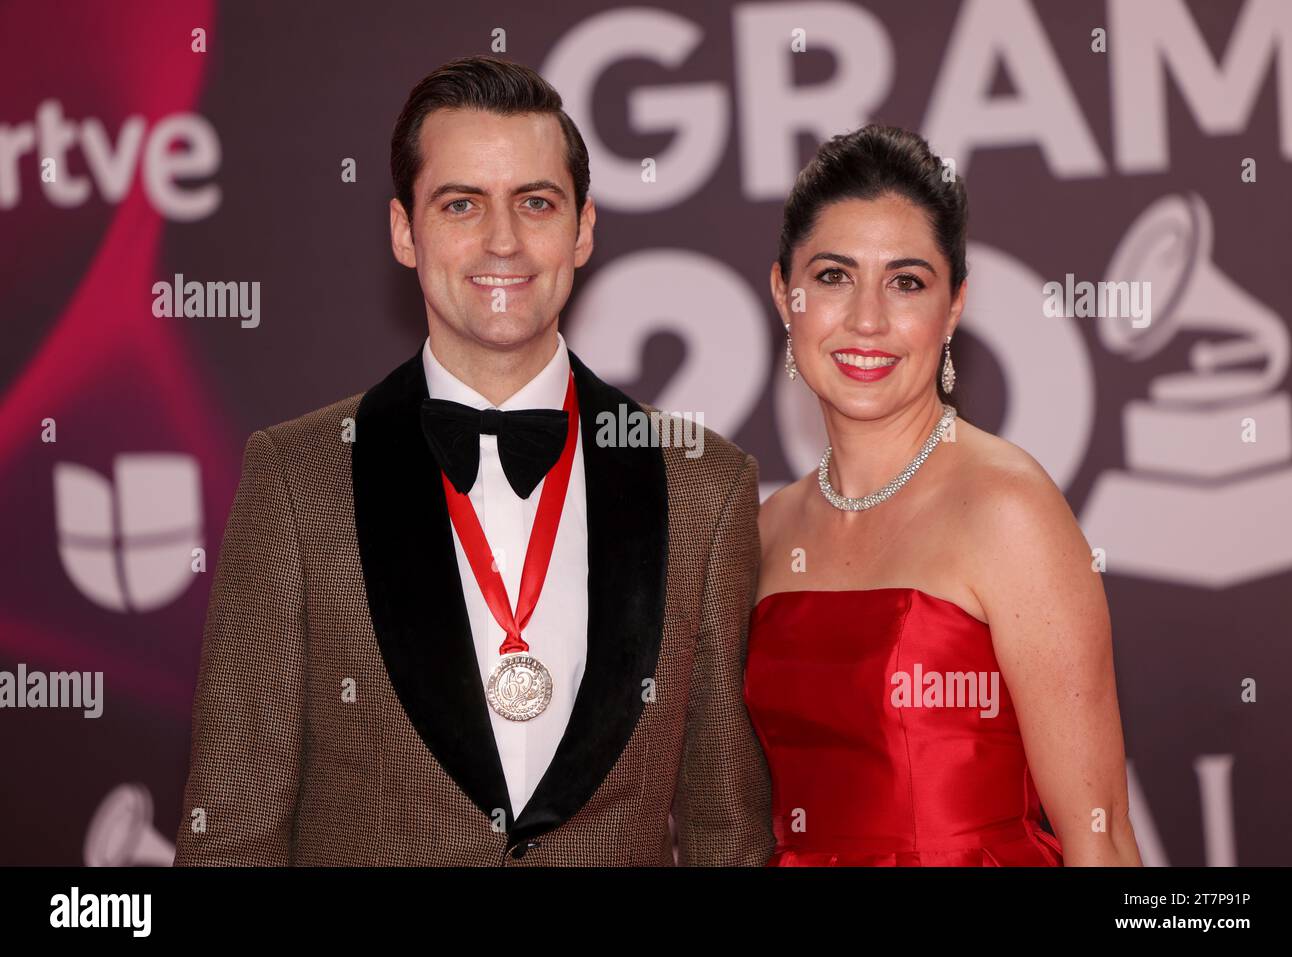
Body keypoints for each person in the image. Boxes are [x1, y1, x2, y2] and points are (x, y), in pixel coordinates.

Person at [173, 56, 774, 866]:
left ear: (583, 228)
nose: (503, 240)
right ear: (403, 230)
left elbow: (724, 834)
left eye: (536, 202)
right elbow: (231, 839)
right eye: (461, 204)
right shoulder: (296, 479)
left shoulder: (704, 484)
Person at [744, 124, 1143, 866]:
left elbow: (1101, 836)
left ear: (954, 306)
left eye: (906, 282)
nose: (867, 319)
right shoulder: (767, 529)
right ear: (784, 293)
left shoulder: (1009, 510)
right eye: (833, 276)